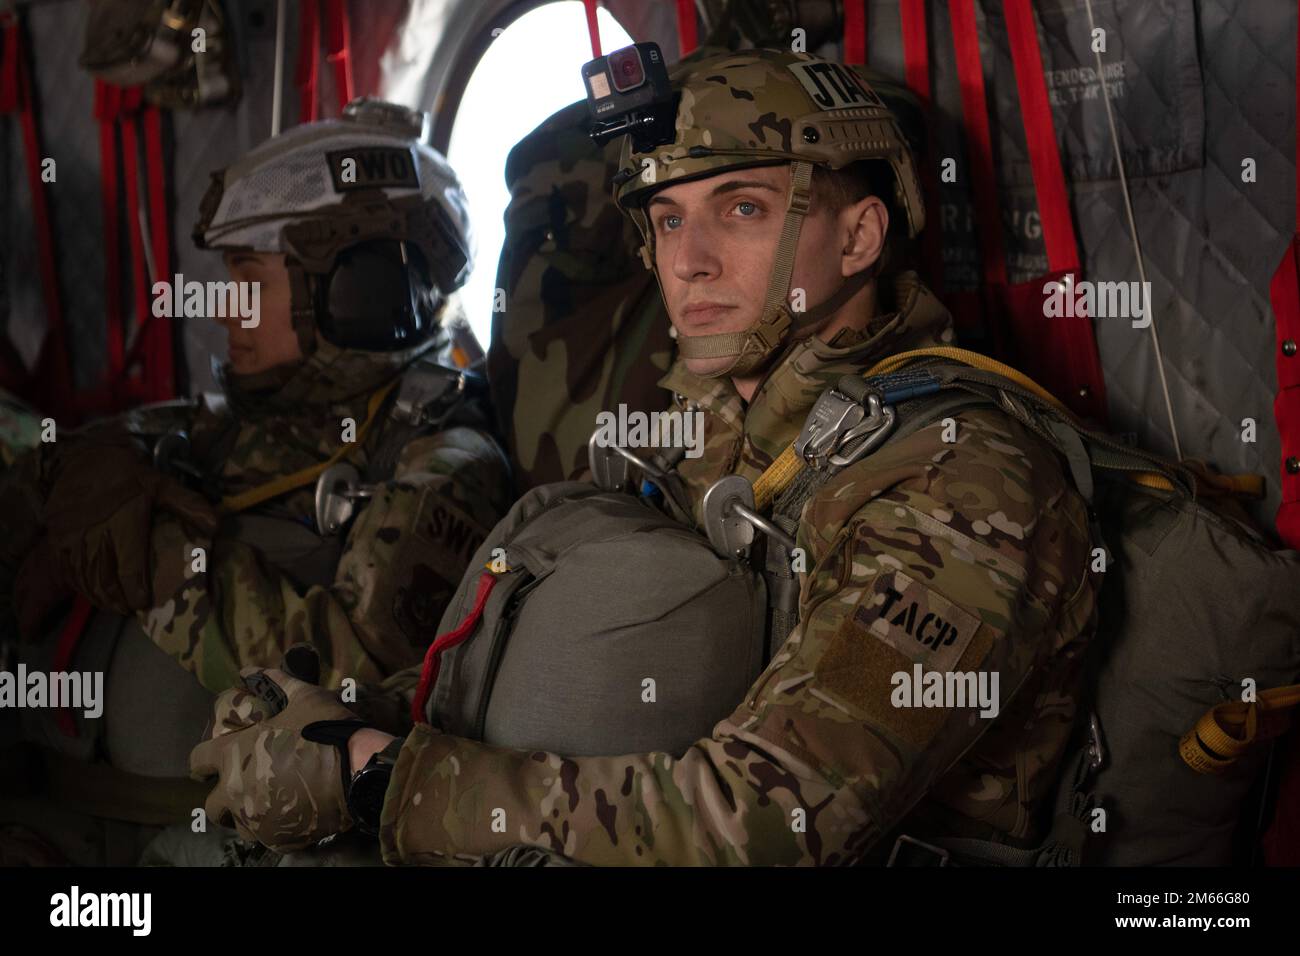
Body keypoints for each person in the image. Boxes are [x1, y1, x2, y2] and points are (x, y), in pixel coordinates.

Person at [190, 51, 1099, 866]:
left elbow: (761, 820)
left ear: (859, 237)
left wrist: (376, 777)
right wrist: (335, 721)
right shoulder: (704, 436)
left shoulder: (963, 481)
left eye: (742, 209)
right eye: (667, 220)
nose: (690, 262)